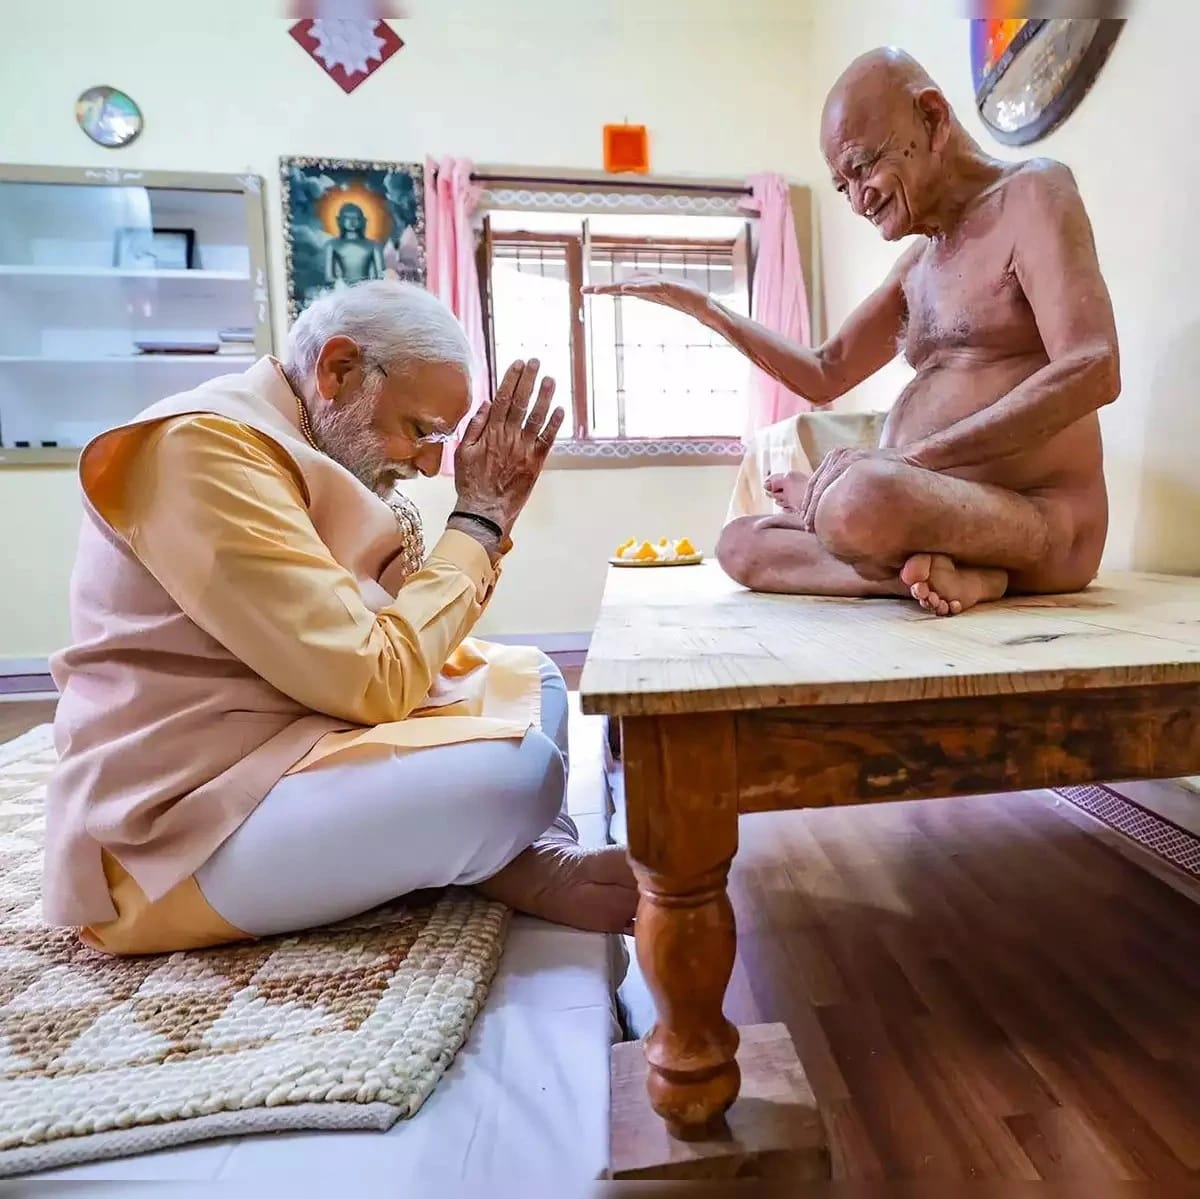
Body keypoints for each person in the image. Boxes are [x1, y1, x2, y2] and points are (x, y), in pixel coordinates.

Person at [43, 280, 637, 954]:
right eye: (421, 431)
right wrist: (480, 520)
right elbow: (374, 677)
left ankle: (513, 857)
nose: (432, 462)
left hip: (292, 735)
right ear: (339, 369)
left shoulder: (291, 439)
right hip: (183, 824)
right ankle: (500, 853)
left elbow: (385, 643)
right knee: (521, 772)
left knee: (531, 676)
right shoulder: (203, 448)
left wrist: (482, 529)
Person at [586, 47, 1120, 616]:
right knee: (740, 544)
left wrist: (909, 462)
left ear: (933, 118)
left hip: (1042, 521)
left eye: (863, 167)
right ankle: (946, 576)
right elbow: (826, 371)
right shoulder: (919, 264)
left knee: (860, 499)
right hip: (932, 510)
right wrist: (708, 310)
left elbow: (1093, 367)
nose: (859, 200)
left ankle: (946, 558)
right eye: (842, 186)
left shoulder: (1033, 193)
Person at [324, 202, 383, 286]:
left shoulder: (374, 245)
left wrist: (367, 286)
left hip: (367, 290)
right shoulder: (332, 245)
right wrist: (344, 286)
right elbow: (329, 277)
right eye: (347, 218)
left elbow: (380, 275)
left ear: (363, 220)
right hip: (342, 290)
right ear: (338, 220)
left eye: (356, 218)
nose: (351, 222)